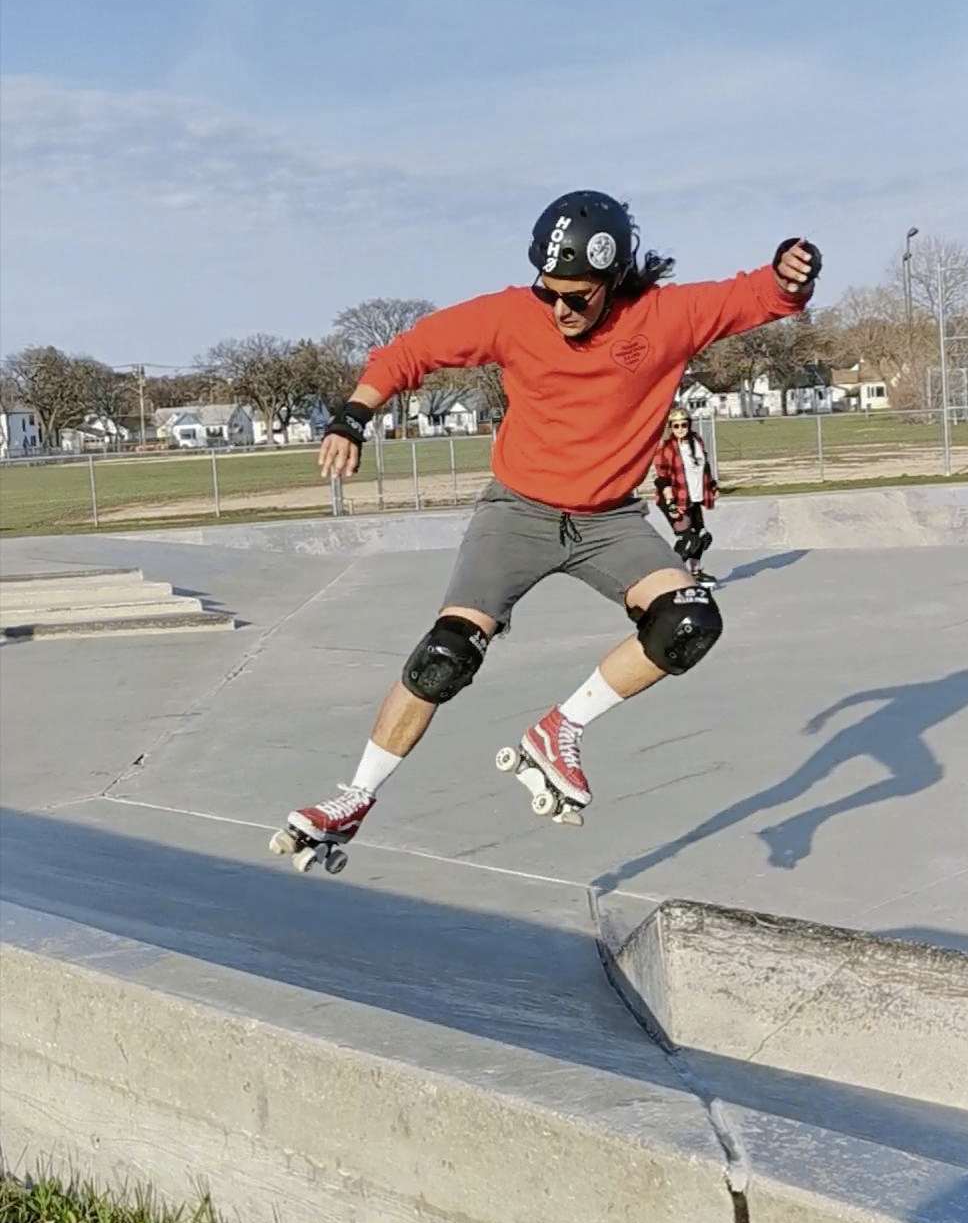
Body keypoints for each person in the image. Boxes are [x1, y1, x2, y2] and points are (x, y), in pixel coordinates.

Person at [286, 193, 820, 847]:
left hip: (610, 523)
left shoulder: (666, 317)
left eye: (577, 297)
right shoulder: (514, 316)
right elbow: (411, 352)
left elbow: (759, 296)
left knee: (690, 621)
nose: (561, 309)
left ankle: (560, 729)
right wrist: (352, 418)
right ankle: (353, 798)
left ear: (613, 280)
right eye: (550, 293)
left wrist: (791, 276)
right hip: (517, 514)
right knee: (445, 656)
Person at [653, 409, 718, 586]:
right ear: (671, 428)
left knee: (702, 537)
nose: (680, 428)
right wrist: (670, 502)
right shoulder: (666, 448)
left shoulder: (696, 441)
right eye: (676, 426)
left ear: (689, 424)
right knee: (689, 539)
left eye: (684, 425)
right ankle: (669, 578)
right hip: (674, 499)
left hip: (693, 497)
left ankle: (696, 573)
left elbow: (704, 466)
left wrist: (712, 486)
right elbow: (662, 477)